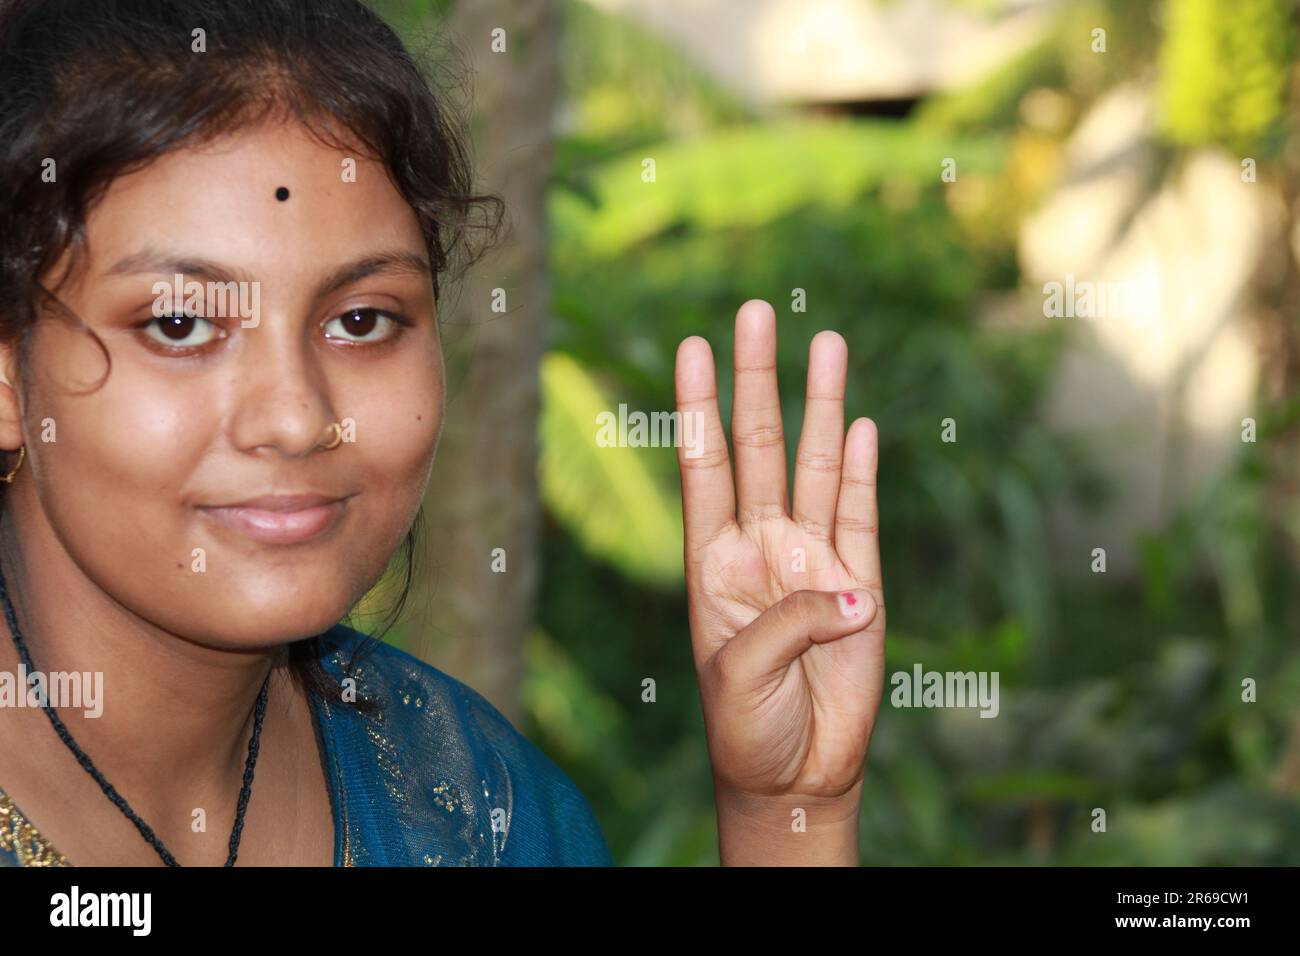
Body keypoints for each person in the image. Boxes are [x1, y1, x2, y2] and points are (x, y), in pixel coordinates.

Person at [0, 0, 886, 867]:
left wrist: (787, 815)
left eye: (359, 320)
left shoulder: (486, 810)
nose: (299, 417)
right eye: (183, 325)